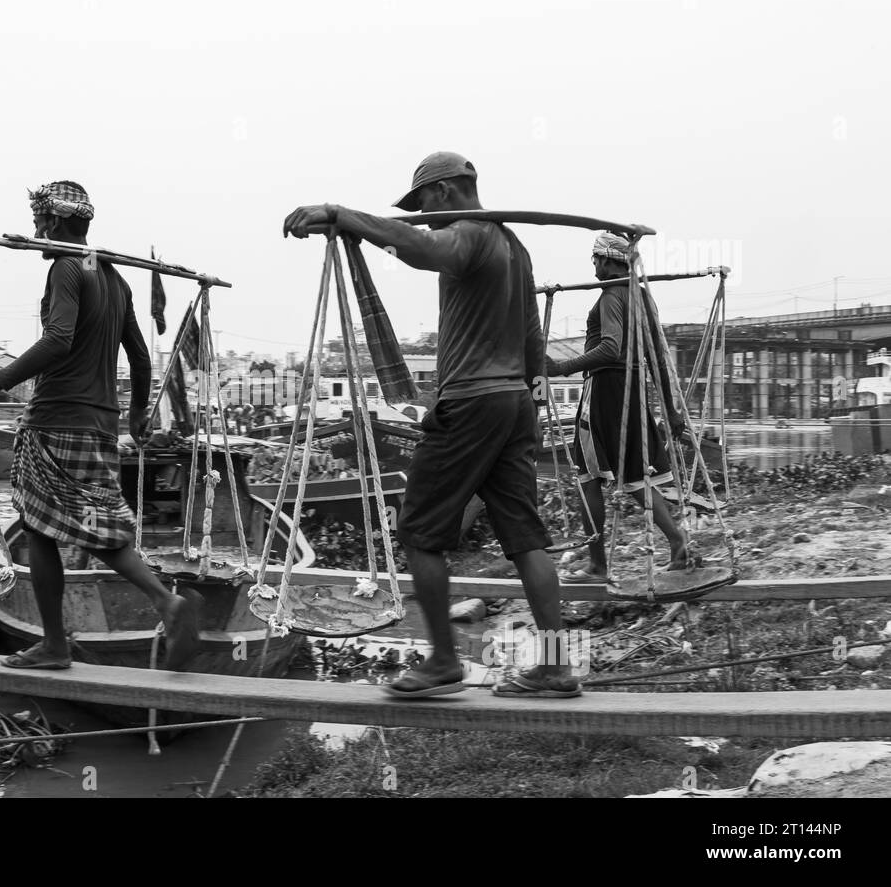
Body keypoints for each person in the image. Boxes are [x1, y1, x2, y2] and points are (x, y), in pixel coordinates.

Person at [284, 151, 580, 699]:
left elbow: (422, 248)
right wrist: (531, 407)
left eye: (422, 202)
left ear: (443, 190)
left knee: (419, 531)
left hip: (471, 401)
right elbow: (532, 339)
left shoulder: (468, 234)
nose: (422, 214)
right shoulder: (514, 246)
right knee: (525, 538)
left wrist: (342, 215)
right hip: (513, 402)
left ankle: (443, 661)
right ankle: (557, 667)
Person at [0, 179, 199, 671]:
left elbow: (58, 339)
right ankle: (159, 604)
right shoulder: (114, 277)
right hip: (99, 425)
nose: (36, 232)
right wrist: (136, 413)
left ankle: (61, 643)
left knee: (40, 529)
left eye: (39, 222)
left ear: (56, 221)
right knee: (95, 524)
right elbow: (140, 356)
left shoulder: (67, 268)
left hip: (56, 419)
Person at [545, 232, 690, 584]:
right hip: (633, 389)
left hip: (605, 389)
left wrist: (562, 368)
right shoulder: (642, 296)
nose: (593, 264)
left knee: (588, 477)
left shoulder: (611, 295)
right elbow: (657, 355)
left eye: (596, 258)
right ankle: (678, 542)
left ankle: (597, 566)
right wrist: (670, 408)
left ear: (610, 261)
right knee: (635, 477)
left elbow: (610, 348)